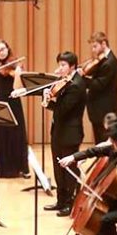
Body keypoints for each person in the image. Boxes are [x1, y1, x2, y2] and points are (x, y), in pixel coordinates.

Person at [44, 52, 93, 216]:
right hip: (59, 131)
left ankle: (71, 203)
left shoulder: (76, 85)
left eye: (63, 65)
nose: (60, 68)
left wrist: (50, 101)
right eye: (60, 65)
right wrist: (49, 100)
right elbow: (59, 108)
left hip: (70, 133)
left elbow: (64, 110)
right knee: (59, 168)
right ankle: (61, 201)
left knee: (69, 171)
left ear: (72, 66)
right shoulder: (66, 82)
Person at [0, 39, 30, 178]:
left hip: (13, 101)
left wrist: (17, 73)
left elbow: (18, 87)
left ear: (8, 49)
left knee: (16, 134)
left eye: (3, 49)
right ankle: (1, 169)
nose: (1, 52)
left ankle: (21, 168)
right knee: (0, 135)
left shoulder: (15, 63)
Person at [81, 32, 117, 143]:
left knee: (104, 143)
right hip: (100, 110)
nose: (93, 50)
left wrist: (82, 79)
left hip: (104, 110)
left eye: (95, 46)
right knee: (100, 143)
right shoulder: (103, 60)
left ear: (104, 44)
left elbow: (98, 85)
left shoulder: (109, 63)